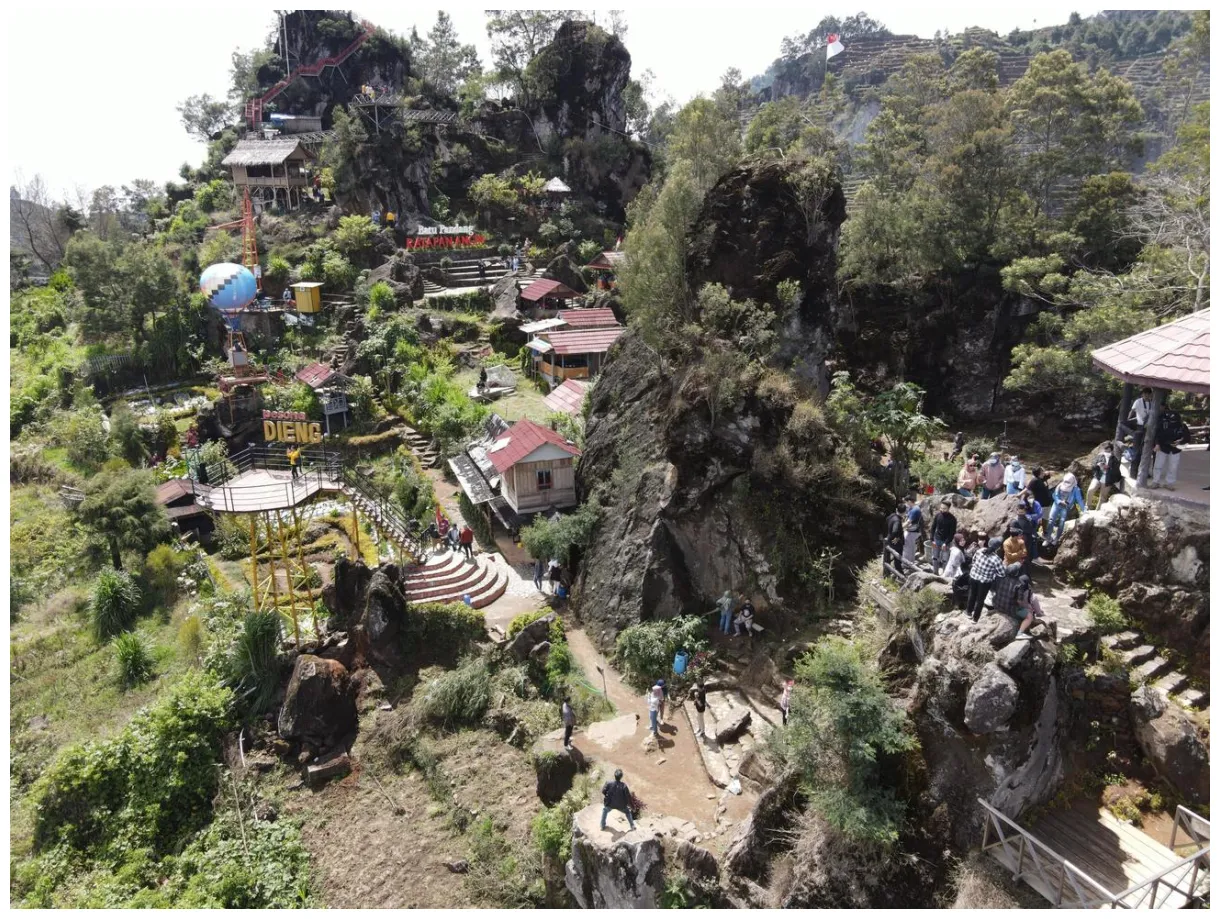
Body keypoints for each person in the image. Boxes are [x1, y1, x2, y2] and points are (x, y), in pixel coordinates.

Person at [1149, 406, 1190, 490]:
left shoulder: (1182, 426)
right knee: (1158, 465)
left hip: (1176, 449)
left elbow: (1187, 438)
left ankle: (1169, 483)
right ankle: (1155, 482)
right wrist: (1157, 444)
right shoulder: (1164, 424)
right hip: (1163, 447)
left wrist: (1180, 442)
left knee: (1173, 467)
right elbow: (1157, 435)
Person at [967, 538, 1005, 622]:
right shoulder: (996, 559)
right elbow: (1002, 573)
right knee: (980, 600)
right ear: (998, 548)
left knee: (972, 594)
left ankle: (969, 613)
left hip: (973, 576)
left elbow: (973, 561)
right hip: (985, 582)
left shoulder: (980, 551)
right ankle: (975, 619)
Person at [1122, 387, 1156, 477]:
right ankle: (1133, 473)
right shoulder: (1138, 402)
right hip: (1140, 428)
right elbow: (1132, 411)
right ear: (1142, 394)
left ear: (1150, 395)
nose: (1146, 396)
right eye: (1145, 394)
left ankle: (1144, 472)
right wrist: (1127, 420)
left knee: (1148, 450)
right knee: (1137, 451)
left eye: (1148, 394)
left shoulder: (1152, 403)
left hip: (1149, 429)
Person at [1048, 473, 1086, 545]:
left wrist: (1084, 510)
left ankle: (1058, 538)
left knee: (1063, 524)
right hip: (1059, 506)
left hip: (1069, 509)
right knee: (1053, 520)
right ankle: (1050, 537)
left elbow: (1081, 501)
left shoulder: (1077, 490)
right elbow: (1054, 495)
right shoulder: (1060, 486)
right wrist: (1059, 501)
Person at [1086, 443, 1120, 509]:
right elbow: (1093, 466)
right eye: (1106, 451)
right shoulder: (1100, 456)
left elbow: (1117, 472)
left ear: (1112, 451)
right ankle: (1088, 507)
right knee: (1091, 489)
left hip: (1108, 480)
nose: (1107, 452)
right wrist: (1098, 465)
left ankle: (1097, 512)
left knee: (1102, 497)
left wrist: (1109, 468)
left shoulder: (1115, 460)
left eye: (1109, 451)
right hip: (1098, 477)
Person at [928, 498, 957, 575]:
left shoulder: (952, 519)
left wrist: (946, 543)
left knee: (945, 559)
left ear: (948, 509)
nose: (942, 510)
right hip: (936, 539)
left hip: (946, 541)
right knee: (935, 557)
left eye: (944, 508)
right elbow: (933, 527)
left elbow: (952, 533)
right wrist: (932, 539)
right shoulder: (938, 515)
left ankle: (944, 574)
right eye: (941, 508)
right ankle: (935, 573)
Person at [1028, 468, 1054, 536]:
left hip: (1046, 502)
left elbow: (1051, 473)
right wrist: (1020, 495)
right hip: (1040, 504)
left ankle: (1044, 532)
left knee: (1045, 518)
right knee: (1039, 519)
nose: (1044, 472)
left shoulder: (1041, 479)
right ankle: (1034, 532)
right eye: (1042, 471)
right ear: (1039, 473)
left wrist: (1047, 473)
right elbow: (1027, 489)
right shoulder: (1034, 480)